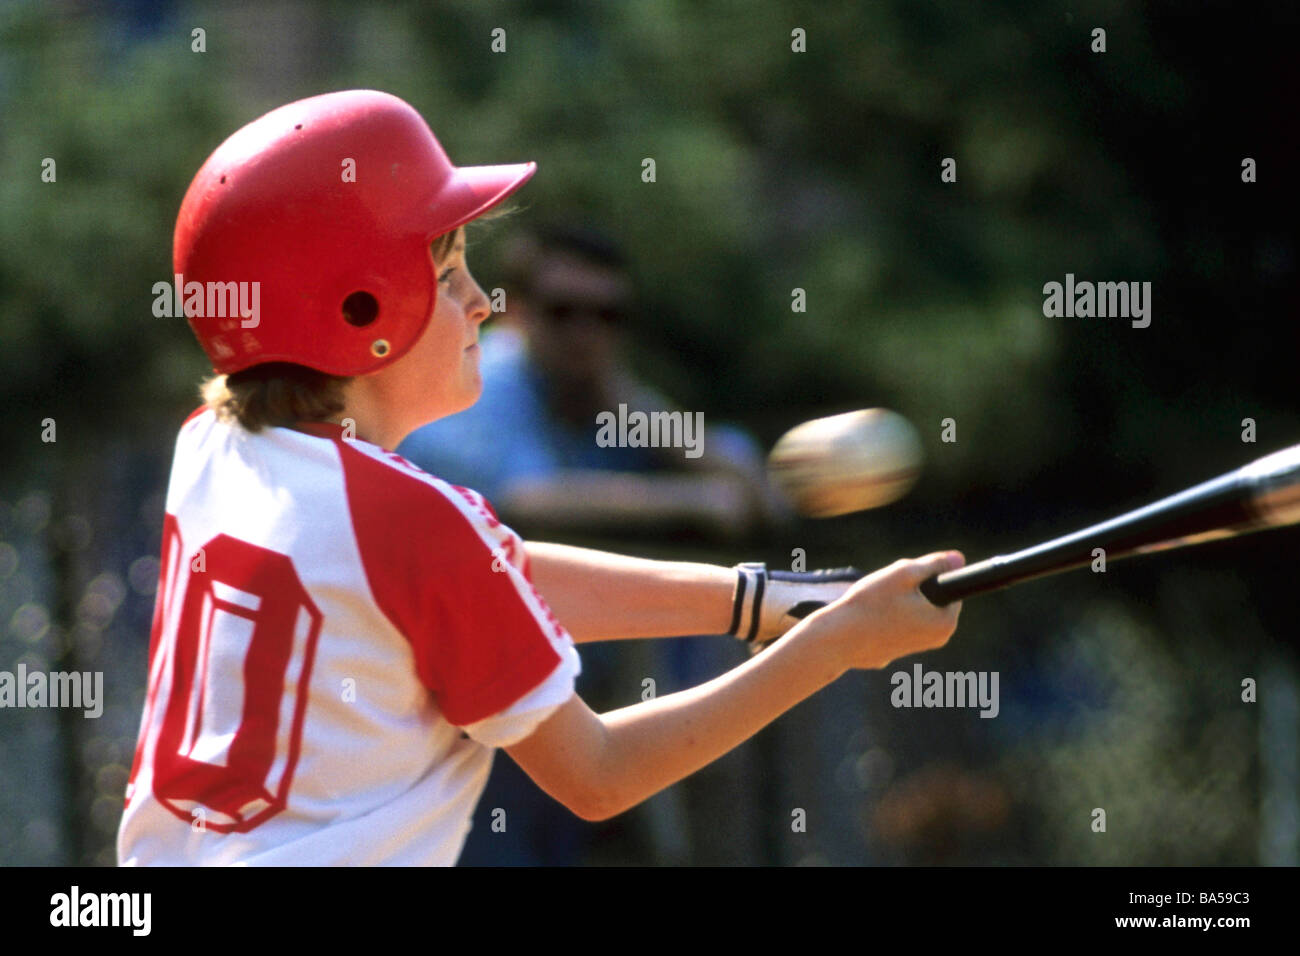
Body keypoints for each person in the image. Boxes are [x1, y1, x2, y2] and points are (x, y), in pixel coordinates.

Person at [117, 90, 964, 866]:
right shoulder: (412, 519)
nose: (484, 302)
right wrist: (835, 644)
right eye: (449, 277)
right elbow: (599, 772)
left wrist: (762, 599)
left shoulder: (217, 445)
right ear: (361, 313)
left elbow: (484, 577)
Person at [398, 224, 781, 541]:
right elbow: (517, 500)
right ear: (517, 313)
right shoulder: (476, 376)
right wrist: (691, 502)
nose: (586, 333)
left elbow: (756, 490)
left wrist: (636, 411)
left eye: (607, 315)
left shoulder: (613, 394)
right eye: (563, 312)